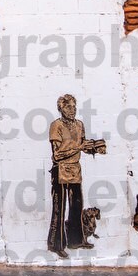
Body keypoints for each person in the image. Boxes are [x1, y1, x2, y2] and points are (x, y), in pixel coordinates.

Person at [47, 94, 104, 258]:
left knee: (77, 206)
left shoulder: (79, 125)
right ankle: (56, 244)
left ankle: (76, 239)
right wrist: (78, 147)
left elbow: (83, 145)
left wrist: (94, 147)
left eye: (73, 106)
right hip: (61, 170)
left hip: (75, 170)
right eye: (68, 107)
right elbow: (57, 154)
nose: (72, 110)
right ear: (60, 109)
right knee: (60, 208)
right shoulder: (56, 125)